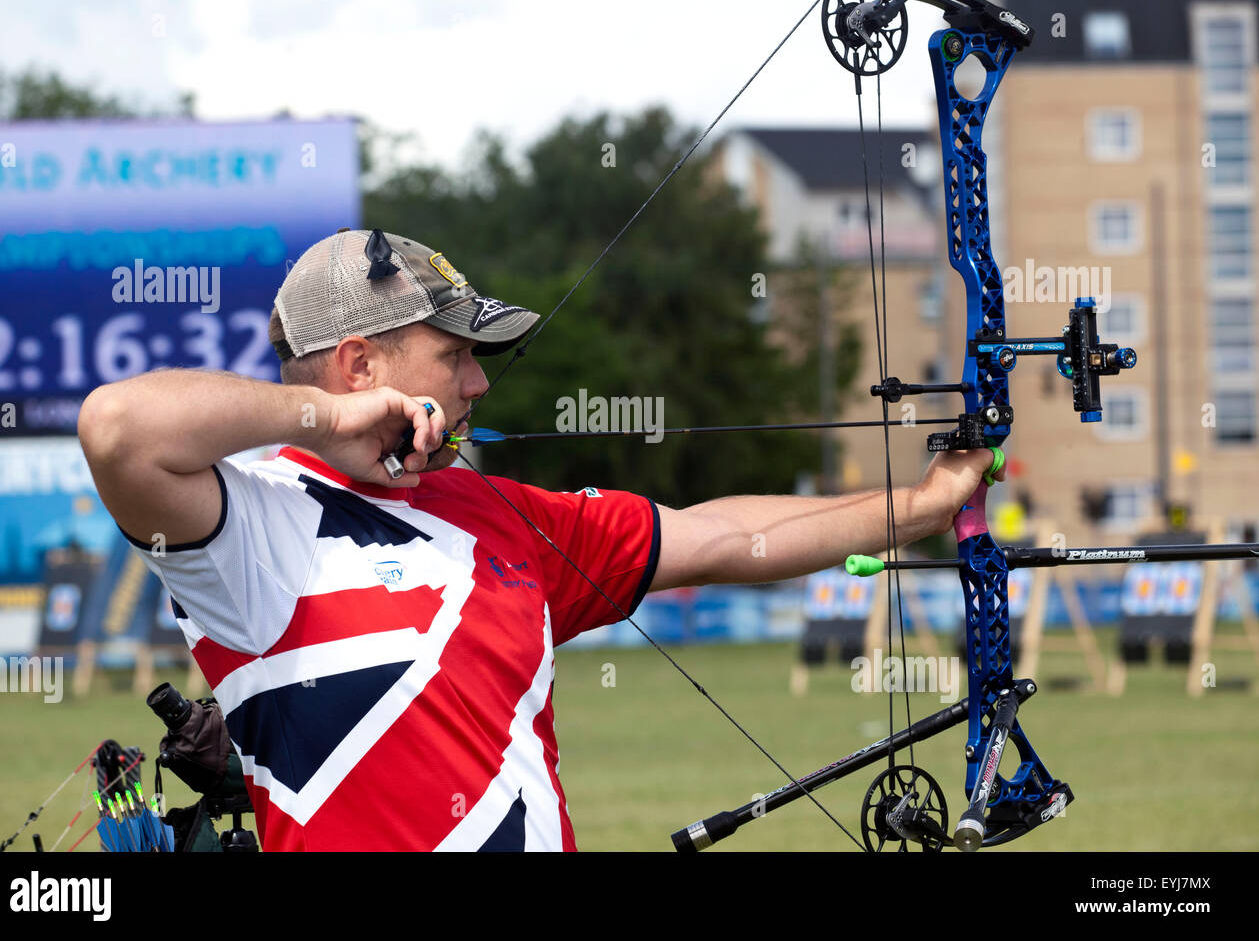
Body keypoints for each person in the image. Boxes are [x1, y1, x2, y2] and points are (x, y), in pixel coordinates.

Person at [77, 227, 994, 851]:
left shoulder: (497, 514)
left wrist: (918, 506)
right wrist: (328, 418)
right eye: (455, 354)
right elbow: (118, 429)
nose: (478, 383)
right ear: (363, 364)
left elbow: (719, 538)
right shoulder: (253, 522)